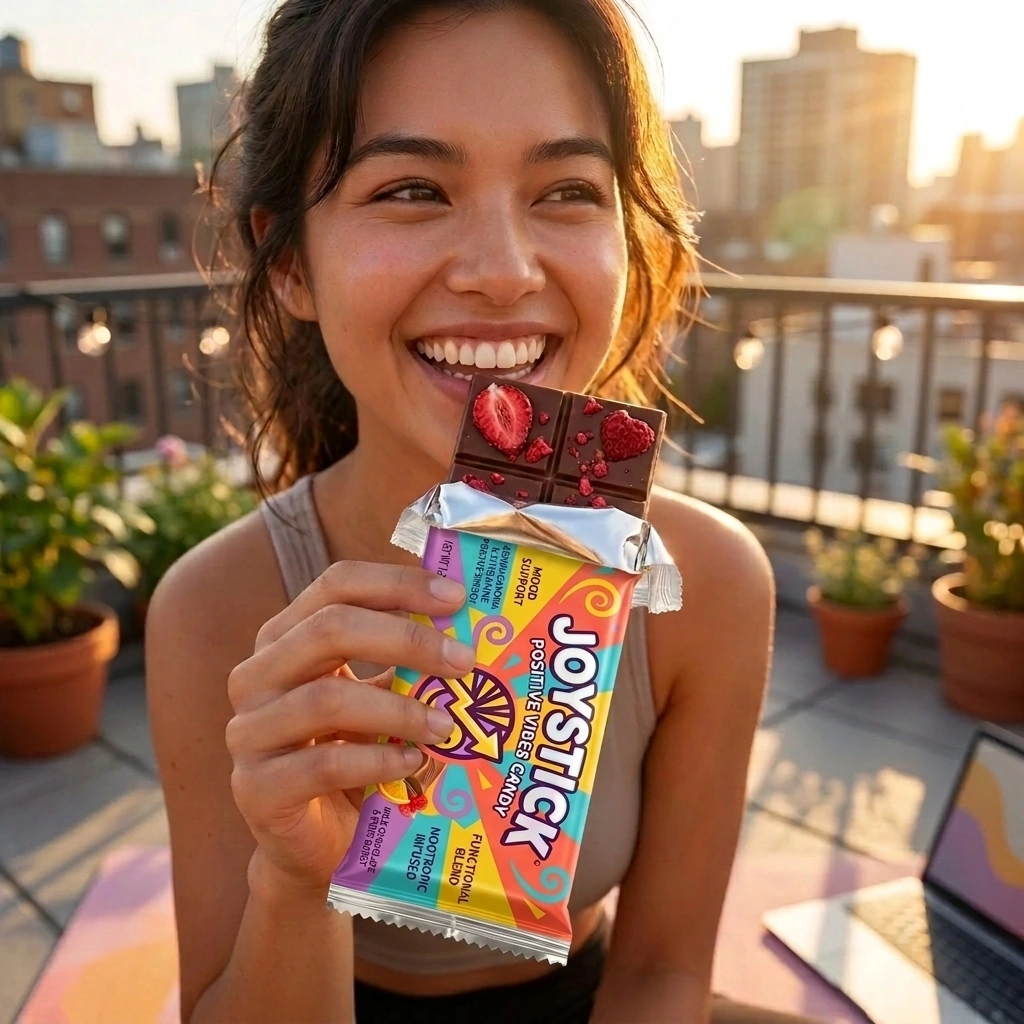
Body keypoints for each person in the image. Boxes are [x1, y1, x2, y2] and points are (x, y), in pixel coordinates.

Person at [147, 2, 814, 1022]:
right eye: (412, 190)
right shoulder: (213, 610)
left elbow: (662, 972)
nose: (503, 272)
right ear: (289, 263)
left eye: (568, 191)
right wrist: (294, 878)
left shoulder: (710, 585)